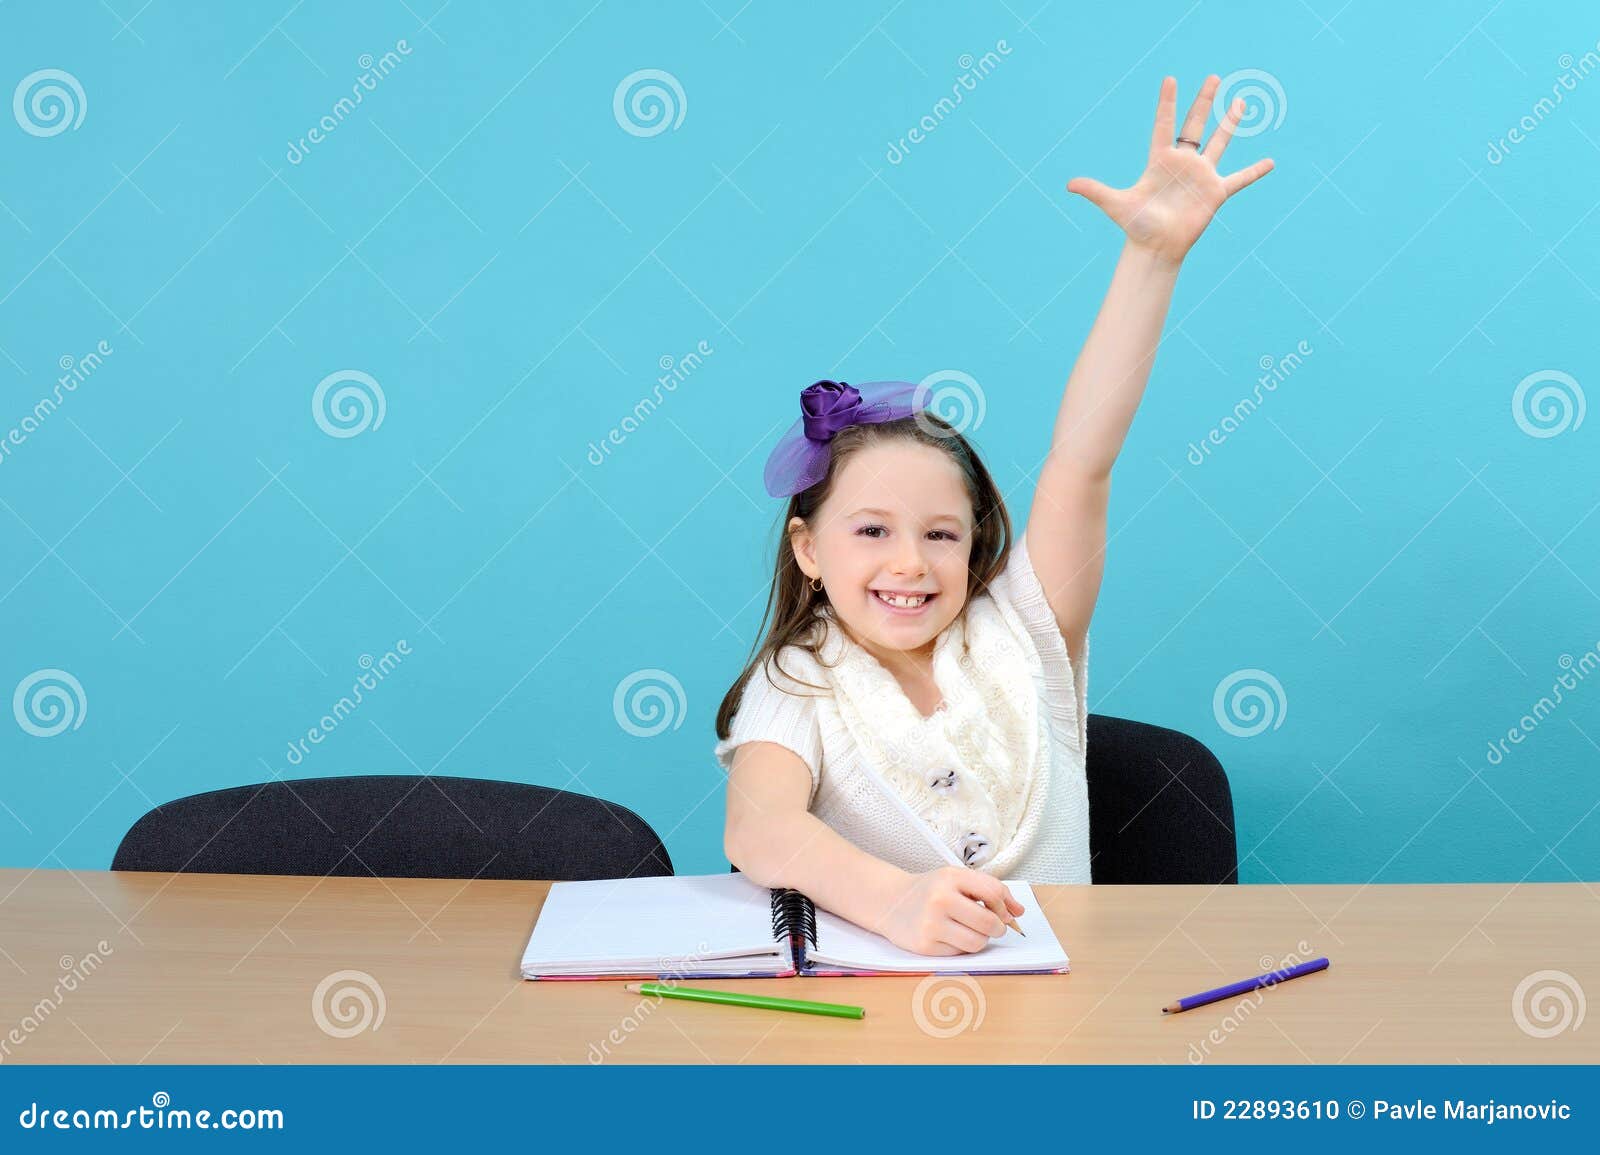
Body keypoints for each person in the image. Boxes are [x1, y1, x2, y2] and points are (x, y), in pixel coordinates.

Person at [715, 75, 1274, 956]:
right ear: (808, 548)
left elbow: (1083, 458)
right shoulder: (798, 681)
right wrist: (899, 902)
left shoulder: (1026, 627)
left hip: (1066, 1015)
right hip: (886, 1035)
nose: (910, 564)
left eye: (941, 534)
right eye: (871, 530)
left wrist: (1153, 258)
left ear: (976, 546)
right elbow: (758, 830)